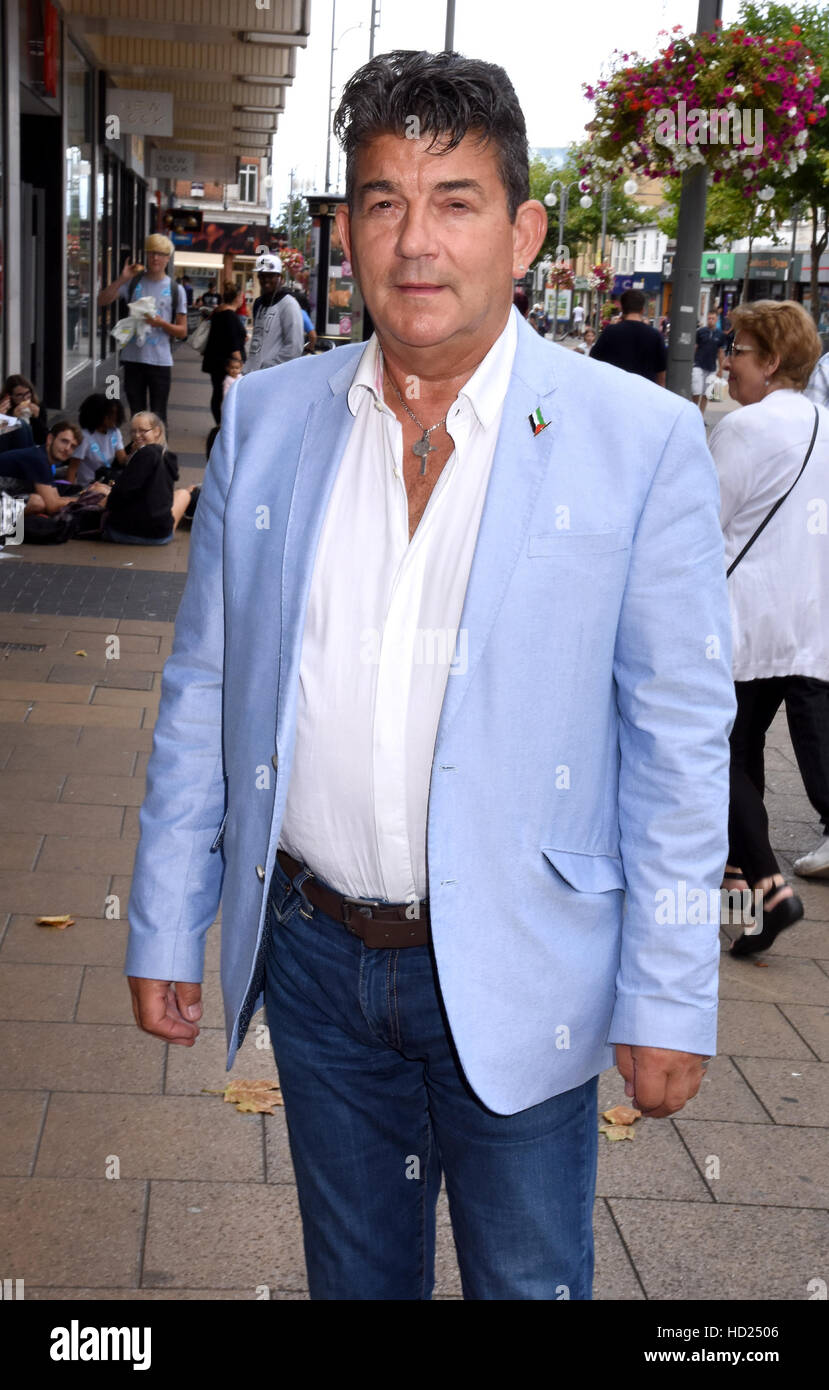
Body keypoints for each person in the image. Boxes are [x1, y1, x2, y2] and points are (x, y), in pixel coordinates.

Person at [125, 49, 734, 1302]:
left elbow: (678, 738)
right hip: (313, 953)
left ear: (522, 232)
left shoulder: (641, 443)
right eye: (384, 201)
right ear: (346, 229)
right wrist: (164, 912)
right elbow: (203, 689)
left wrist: (671, 988)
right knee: (356, 1280)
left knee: (527, 1281)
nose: (415, 240)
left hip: (523, 958)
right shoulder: (271, 418)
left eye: (453, 199)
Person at [708, 300, 829, 939]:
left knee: (721, 749)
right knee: (740, 748)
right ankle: (744, 894)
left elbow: (704, 525)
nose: (728, 362)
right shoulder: (824, 426)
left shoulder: (745, 429)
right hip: (805, 624)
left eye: (740, 350)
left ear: (773, 361)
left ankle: (768, 888)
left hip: (740, 620)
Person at [97, 234, 188, 423]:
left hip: (160, 362)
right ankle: (139, 452)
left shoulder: (175, 289)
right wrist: (122, 279)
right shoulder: (133, 283)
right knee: (136, 415)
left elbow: (182, 330)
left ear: (167, 258)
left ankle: (159, 452)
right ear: (146, 255)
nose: (155, 258)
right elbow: (102, 300)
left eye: (160, 254)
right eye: (151, 253)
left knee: (158, 415)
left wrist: (161, 323)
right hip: (133, 360)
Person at [101, 413, 195, 545]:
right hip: (160, 535)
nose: (137, 435)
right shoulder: (166, 456)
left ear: (157, 431)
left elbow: (120, 495)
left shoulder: (145, 455)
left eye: (143, 430)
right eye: (133, 431)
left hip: (125, 533)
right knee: (183, 494)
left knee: (182, 494)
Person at [242, 250, 304, 374]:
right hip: (252, 374)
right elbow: (257, 339)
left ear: (279, 278)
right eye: (262, 275)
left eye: (270, 275)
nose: (266, 280)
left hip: (272, 376)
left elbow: (294, 347)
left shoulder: (289, 304)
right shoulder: (259, 303)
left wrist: (268, 367)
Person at [0, 421, 81, 515]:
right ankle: (9, 528)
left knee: (37, 500)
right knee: (36, 503)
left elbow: (56, 498)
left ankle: (16, 527)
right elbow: (53, 506)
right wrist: (90, 500)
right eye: (64, 441)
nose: (67, 448)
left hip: (6, 492)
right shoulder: (38, 459)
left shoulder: (44, 458)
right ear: (50, 439)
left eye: (73, 446)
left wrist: (83, 497)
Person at [590, 288, 667, 384]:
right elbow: (661, 375)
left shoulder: (610, 331)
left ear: (622, 308)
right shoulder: (655, 336)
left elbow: (594, 361)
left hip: (614, 388)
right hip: (644, 392)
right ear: (642, 310)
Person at [201, 283, 247, 424]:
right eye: (242, 297)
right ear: (237, 298)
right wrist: (240, 364)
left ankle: (219, 422)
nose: (242, 300)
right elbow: (233, 343)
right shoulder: (229, 316)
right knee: (224, 394)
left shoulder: (219, 312)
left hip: (216, 361)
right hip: (227, 365)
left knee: (218, 392)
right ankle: (222, 423)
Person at [74, 394, 128, 486]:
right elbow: (72, 469)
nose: (115, 417)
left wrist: (136, 451)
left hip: (107, 483)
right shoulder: (84, 437)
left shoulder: (115, 432)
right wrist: (69, 493)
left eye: (116, 413)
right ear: (97, 414)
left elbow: (122, 460)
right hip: (87, 487)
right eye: (110, 414)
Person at [692, 310, 728, 416]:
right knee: (696, 391)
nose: (710, 320)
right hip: (698, 364)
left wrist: (721, 369)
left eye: (713, 318)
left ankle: (700, 416)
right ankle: (693, 414)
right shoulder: (700, 332)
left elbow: (721, 353)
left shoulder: (721, 335)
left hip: (711, 367)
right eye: (709, 318)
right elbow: (695, 347)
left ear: (717, 320)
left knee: (706, 394)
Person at [0, 375, 49, 447]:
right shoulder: (4, 408)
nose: (25, 398)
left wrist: (36, 419)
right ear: (10, 396)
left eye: (27, 393)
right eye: (19, 395)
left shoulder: (38, 406)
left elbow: (43, 439)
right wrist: (13, 418)